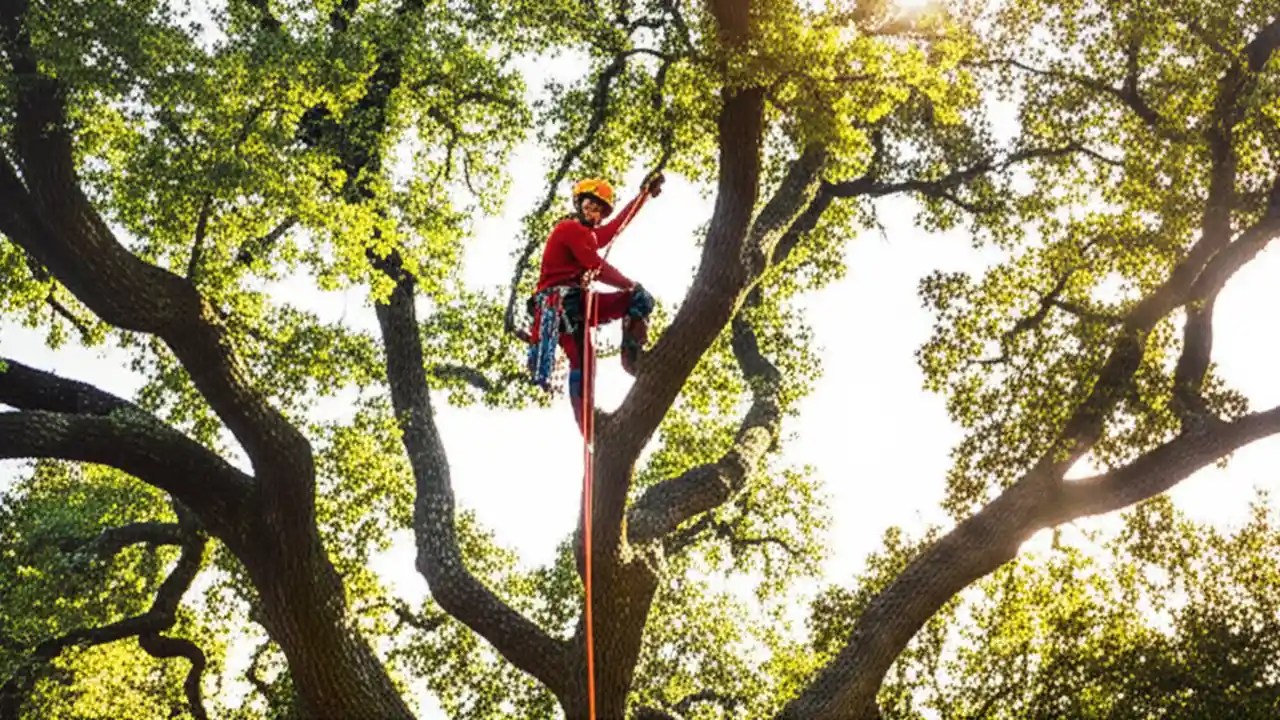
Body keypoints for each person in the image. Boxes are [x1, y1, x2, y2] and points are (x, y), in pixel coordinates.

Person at [526, 173, 664, 431]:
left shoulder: (590, 235)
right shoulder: (568, 229)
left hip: (580, 302)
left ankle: (631, 353)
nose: (594, 213)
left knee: (639, 299)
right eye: (590, 205)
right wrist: (627, 283)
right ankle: (587, 423)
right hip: (559, 306)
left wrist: (643, 196)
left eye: (600, 210)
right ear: (580, 205)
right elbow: (595, 266)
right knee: (584, 360)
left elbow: (616, 228)